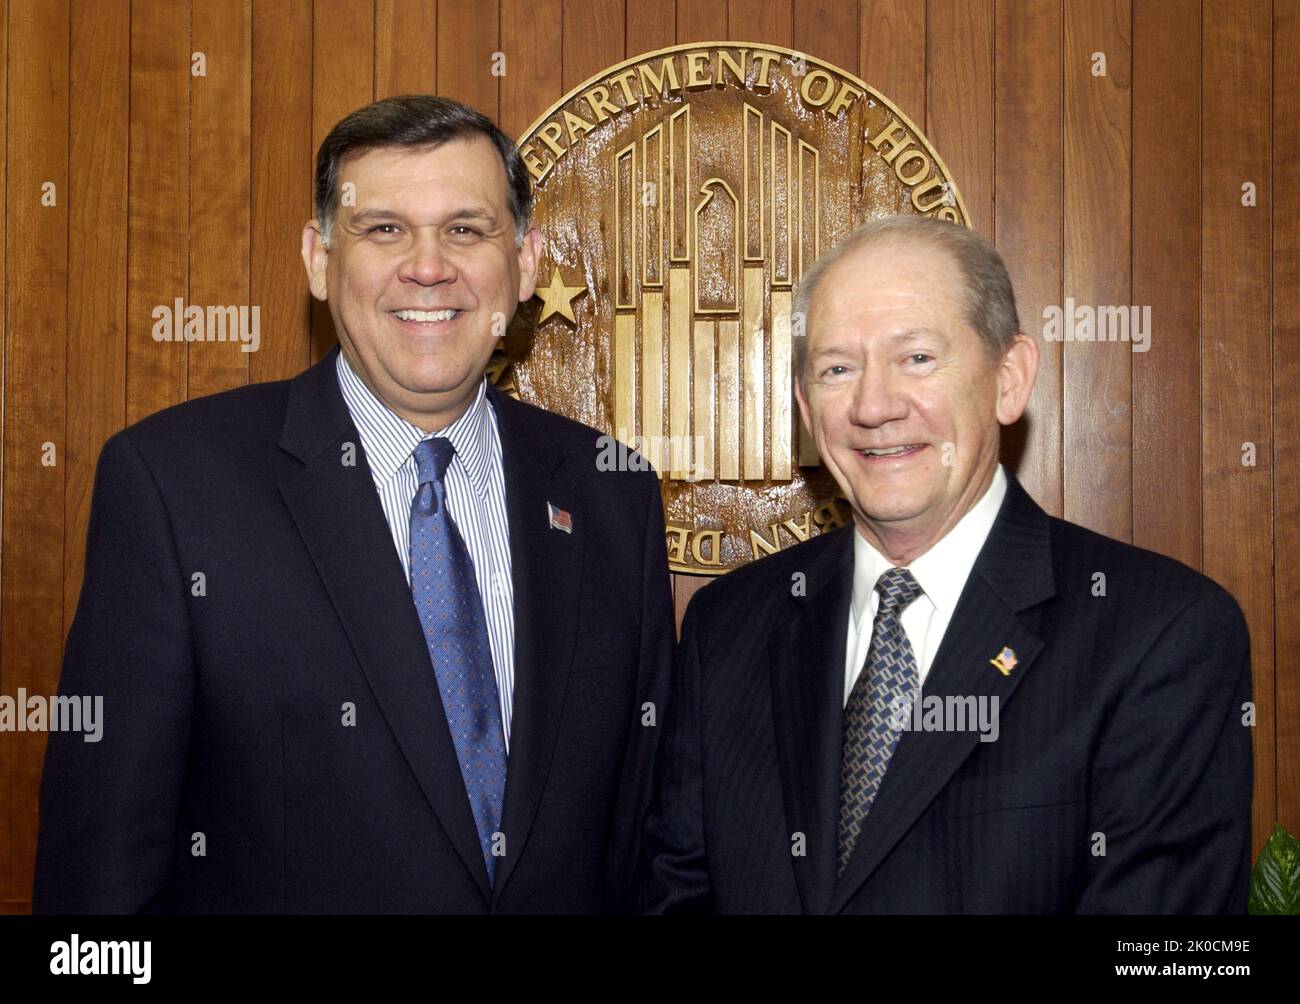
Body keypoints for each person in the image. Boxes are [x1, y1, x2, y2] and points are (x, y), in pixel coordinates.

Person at [34, 95, 673, 914]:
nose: (428, 266)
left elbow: (648, 838)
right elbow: (98, 880)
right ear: (317, 258)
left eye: (466, 230)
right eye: (384, 230)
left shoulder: (613, 493)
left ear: (523, 263)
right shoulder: (175, 488)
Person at [638, 214, 1253, 914]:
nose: (873, 406)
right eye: (838, 369)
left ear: (1009, 378)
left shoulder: (1159, 633)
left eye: (918, 358)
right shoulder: (730, 626)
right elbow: (675, 895)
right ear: (807, 409)